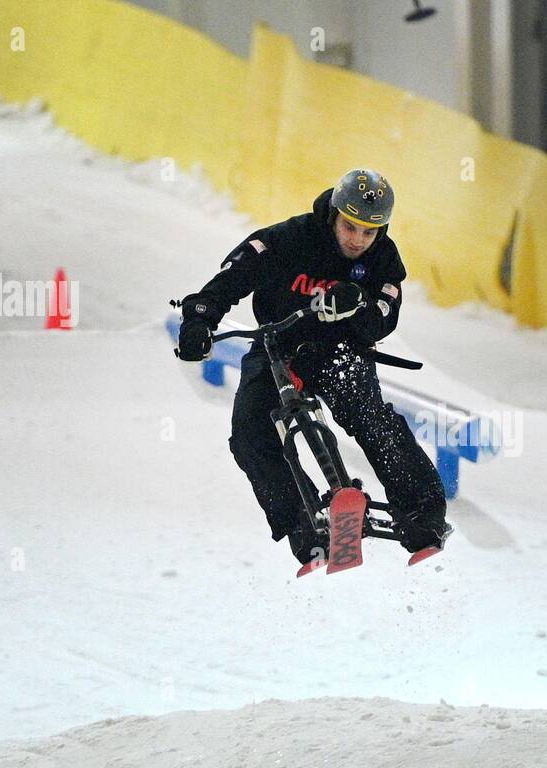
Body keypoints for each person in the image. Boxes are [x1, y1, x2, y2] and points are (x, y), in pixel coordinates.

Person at [174, 168, 447, 566]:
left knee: (369, 417)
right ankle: (302, 527)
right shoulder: (287, 239)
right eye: (350, 227)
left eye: (369, 233)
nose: (357, 240)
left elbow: (383, 319)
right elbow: (230, 280)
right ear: (333, 214)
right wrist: (199, 318)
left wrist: (356, 306)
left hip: (341, 350)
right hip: (277, 346)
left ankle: (423, 516)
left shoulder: (384, 259)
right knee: (250, 433)